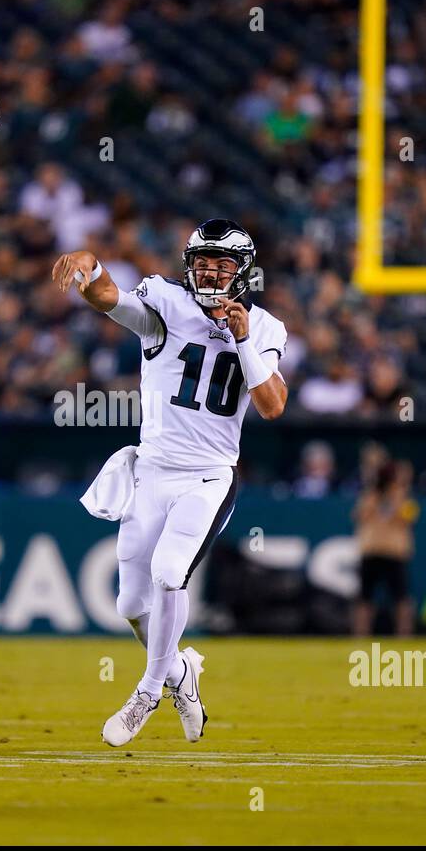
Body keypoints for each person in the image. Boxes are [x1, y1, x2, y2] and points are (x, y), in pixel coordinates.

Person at [53, 218, 288, 747]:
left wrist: (243, 339)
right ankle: (183, 675)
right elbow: (107, 295)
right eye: (202, 261)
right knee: (129, 606)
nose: (209, 272)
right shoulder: (166, 303)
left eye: (222, 263)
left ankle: (148, 689)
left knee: (168, 572)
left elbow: (272, 406)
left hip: (208, 477)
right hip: (153, 471)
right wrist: (89, 263)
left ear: (243, 271)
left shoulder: (266, 326)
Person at [352, 460, 418, 637]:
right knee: (365, 598)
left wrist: (396, 498)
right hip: (372, 550)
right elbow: (359, 515)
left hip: (394, 551)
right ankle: (360, 636)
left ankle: (404, 636)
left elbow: (409, 518)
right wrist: (376, 497)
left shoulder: (403, 497)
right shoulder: (370, 496)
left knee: (401, 598)